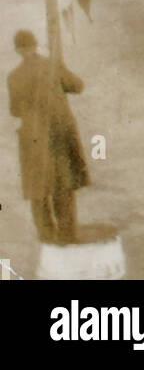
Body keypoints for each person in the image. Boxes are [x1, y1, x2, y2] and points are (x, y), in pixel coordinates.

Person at [7, 30, 89, 245]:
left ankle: (47, 240)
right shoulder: (52, 65)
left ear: (17, 50)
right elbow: (78, 86)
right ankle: (67, 237)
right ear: (36, 45)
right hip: (60, 134)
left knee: (38, 189)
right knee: (64, 184)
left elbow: (14, 111)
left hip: (33, 138)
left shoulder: (14, 76)